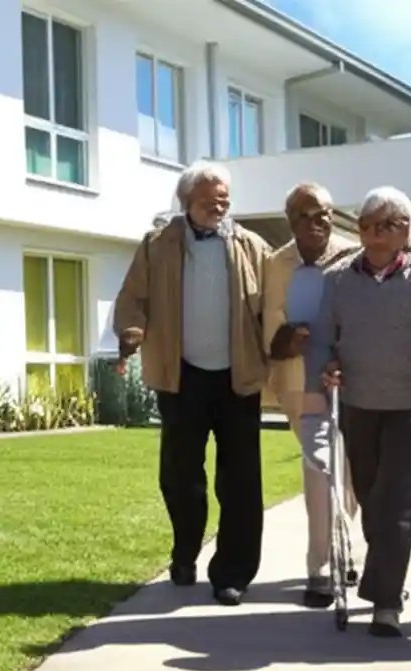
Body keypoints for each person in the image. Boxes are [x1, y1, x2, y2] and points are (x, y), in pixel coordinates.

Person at [113, 161, 272, 607]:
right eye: (208, 201)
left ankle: (232, 573)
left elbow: (274, 304)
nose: (218, 207)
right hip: (180, 376)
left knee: (241, 481)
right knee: (180, 476)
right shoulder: (158, 245)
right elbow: (132, 298)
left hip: (238, 378)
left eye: (223, 200)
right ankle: (185, 552)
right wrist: (130, 330)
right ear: (186, 203)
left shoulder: (250, 245)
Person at [309, 186, 411, 637]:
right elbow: (322, 339)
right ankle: (387, 581)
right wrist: (326, 368)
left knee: (397, 505)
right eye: (367, 225)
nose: (373, 234)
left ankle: (386, 602)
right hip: (358, 407)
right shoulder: (337, 279)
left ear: (407, 230)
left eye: (386, 225)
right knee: (372, 501)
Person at [262, 183, 361, 609]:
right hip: (300, 382)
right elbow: (267, 322)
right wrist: (283, 340)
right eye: (304, 215)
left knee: (353, 475)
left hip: (353, 381)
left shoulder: (355, 254)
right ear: (290, 221)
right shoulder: (274, 264)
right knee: (320, 470)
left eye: (323, 213)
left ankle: (345, 547)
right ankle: (318, 567)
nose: (315, 222)